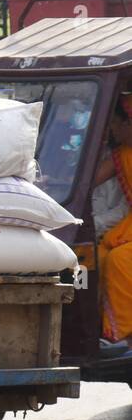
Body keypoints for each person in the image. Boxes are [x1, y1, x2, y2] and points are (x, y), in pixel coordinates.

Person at [95, 95, 132, 345]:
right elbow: (89, 181)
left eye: (116, 124)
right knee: (96, 254)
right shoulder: (122, 154)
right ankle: (100, 330)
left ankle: (122, 335)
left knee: (119, 258)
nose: (112, 130)